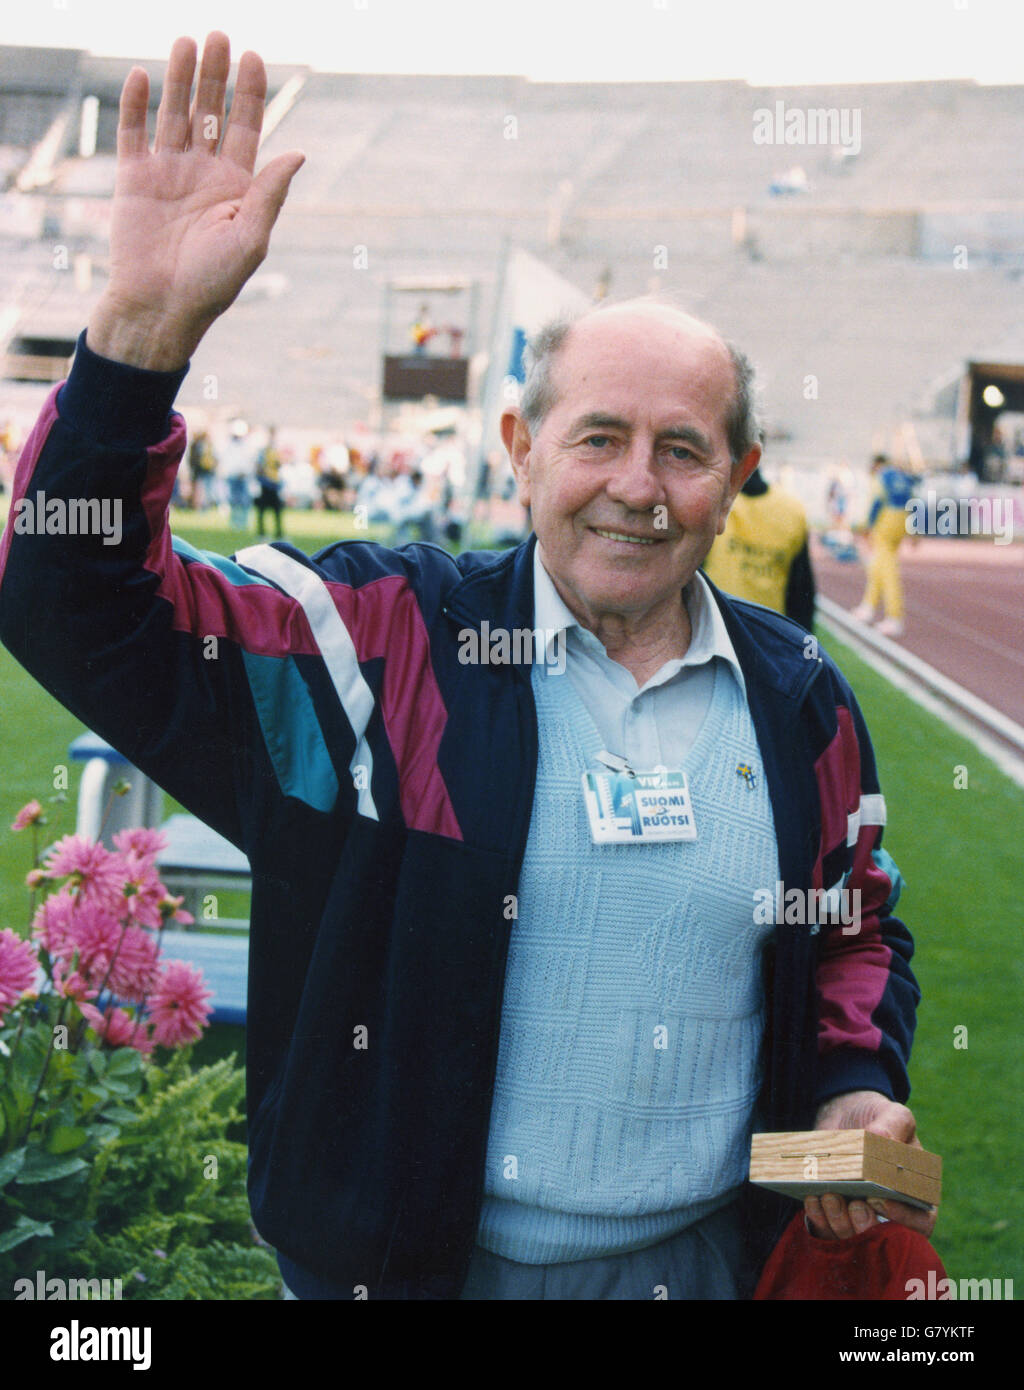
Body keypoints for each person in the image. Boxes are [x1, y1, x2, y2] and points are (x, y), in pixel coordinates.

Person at [0, 34, 931, 1301]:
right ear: (521, 449)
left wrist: (855, 1079)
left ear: (736, 478)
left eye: (682, 449)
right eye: (597, 436)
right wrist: (138, 336)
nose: (636, 488)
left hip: (711, 1269)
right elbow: (71, 599)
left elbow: (850, 924)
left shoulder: (797, 696)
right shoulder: (381, 640)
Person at [702, 464, 815, 629]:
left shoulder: (709, 501)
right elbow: (802, 597)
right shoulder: (792, 510)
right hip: (767, 631)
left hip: (717, 626)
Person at [852, 453, 917, 638]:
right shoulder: (903, 477)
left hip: (885, 523)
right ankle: (868, 606)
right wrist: (914, 531)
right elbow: (914, 503)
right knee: (878, 567)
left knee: (887, 571)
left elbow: (876, 502)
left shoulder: (882, 477)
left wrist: (867, 526)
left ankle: (894, 617)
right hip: (901, 521)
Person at [221, 417, 254, 530]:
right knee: (234, 500)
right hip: (233, 475)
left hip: (243, 476)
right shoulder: (230, 445)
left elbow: (248, 460)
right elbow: (228, 460)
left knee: (244, 500)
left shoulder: (246, 445)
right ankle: (234, 522)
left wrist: (245, 472)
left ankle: (243, 522)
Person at [253, 424, 284, 538]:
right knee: (263, 509)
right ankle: (262, 532)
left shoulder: (274, 449)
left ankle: (278, 533)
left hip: (274, 483)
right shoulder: (265, 450)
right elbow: (259, 466)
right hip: (266, 483)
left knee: (276, 510)